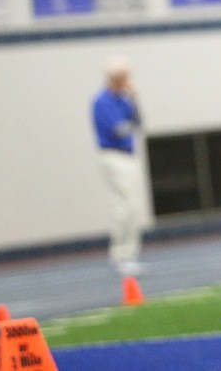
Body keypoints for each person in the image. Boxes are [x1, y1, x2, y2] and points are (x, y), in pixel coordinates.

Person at [91, 55, 144, 276]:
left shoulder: (124, 99)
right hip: (113, 155)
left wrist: (134, 99)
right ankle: (120, 254)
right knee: (124, 206)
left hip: (128, 155)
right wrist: (129, 121)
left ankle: (130, 253)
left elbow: (138, 122)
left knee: (135, 205)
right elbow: (117, 129)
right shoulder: (102, 101)